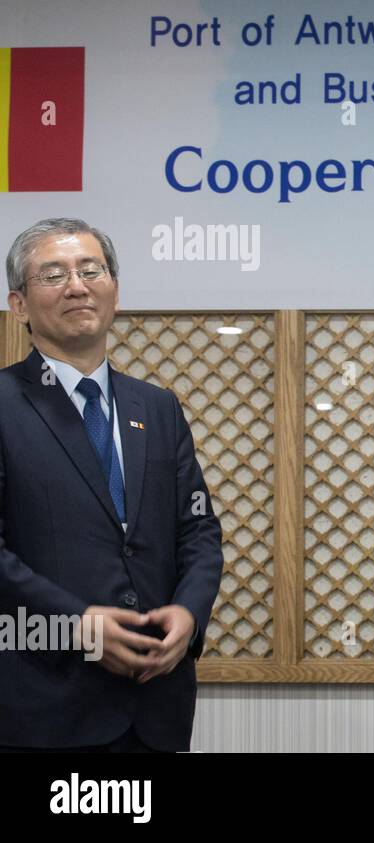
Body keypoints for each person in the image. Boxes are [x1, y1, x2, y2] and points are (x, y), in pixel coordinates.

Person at [0, 218, 223, 752]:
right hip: (41, 705)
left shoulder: (158, 407)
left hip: (156, 707)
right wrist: (75, 623)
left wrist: (189, 615)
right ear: (19, 305)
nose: (77, 285)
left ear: (115, 292)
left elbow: (198, 531)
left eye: (90, 270)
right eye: (53, 274)